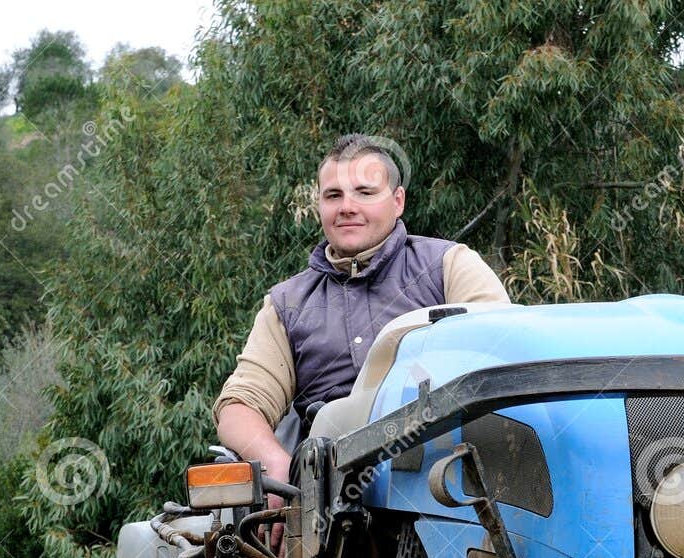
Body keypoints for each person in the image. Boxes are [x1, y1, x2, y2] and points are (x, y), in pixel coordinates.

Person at [214, 134, 509, 534]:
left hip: (453, 485)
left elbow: (504, 363)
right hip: (330, 513)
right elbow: (238, 406)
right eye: (333, 195)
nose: (347, 207)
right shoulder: (287, 304)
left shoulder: (450, 265)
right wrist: (283, 476)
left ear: (397, 200)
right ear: (319, 204)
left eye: (365, 192)